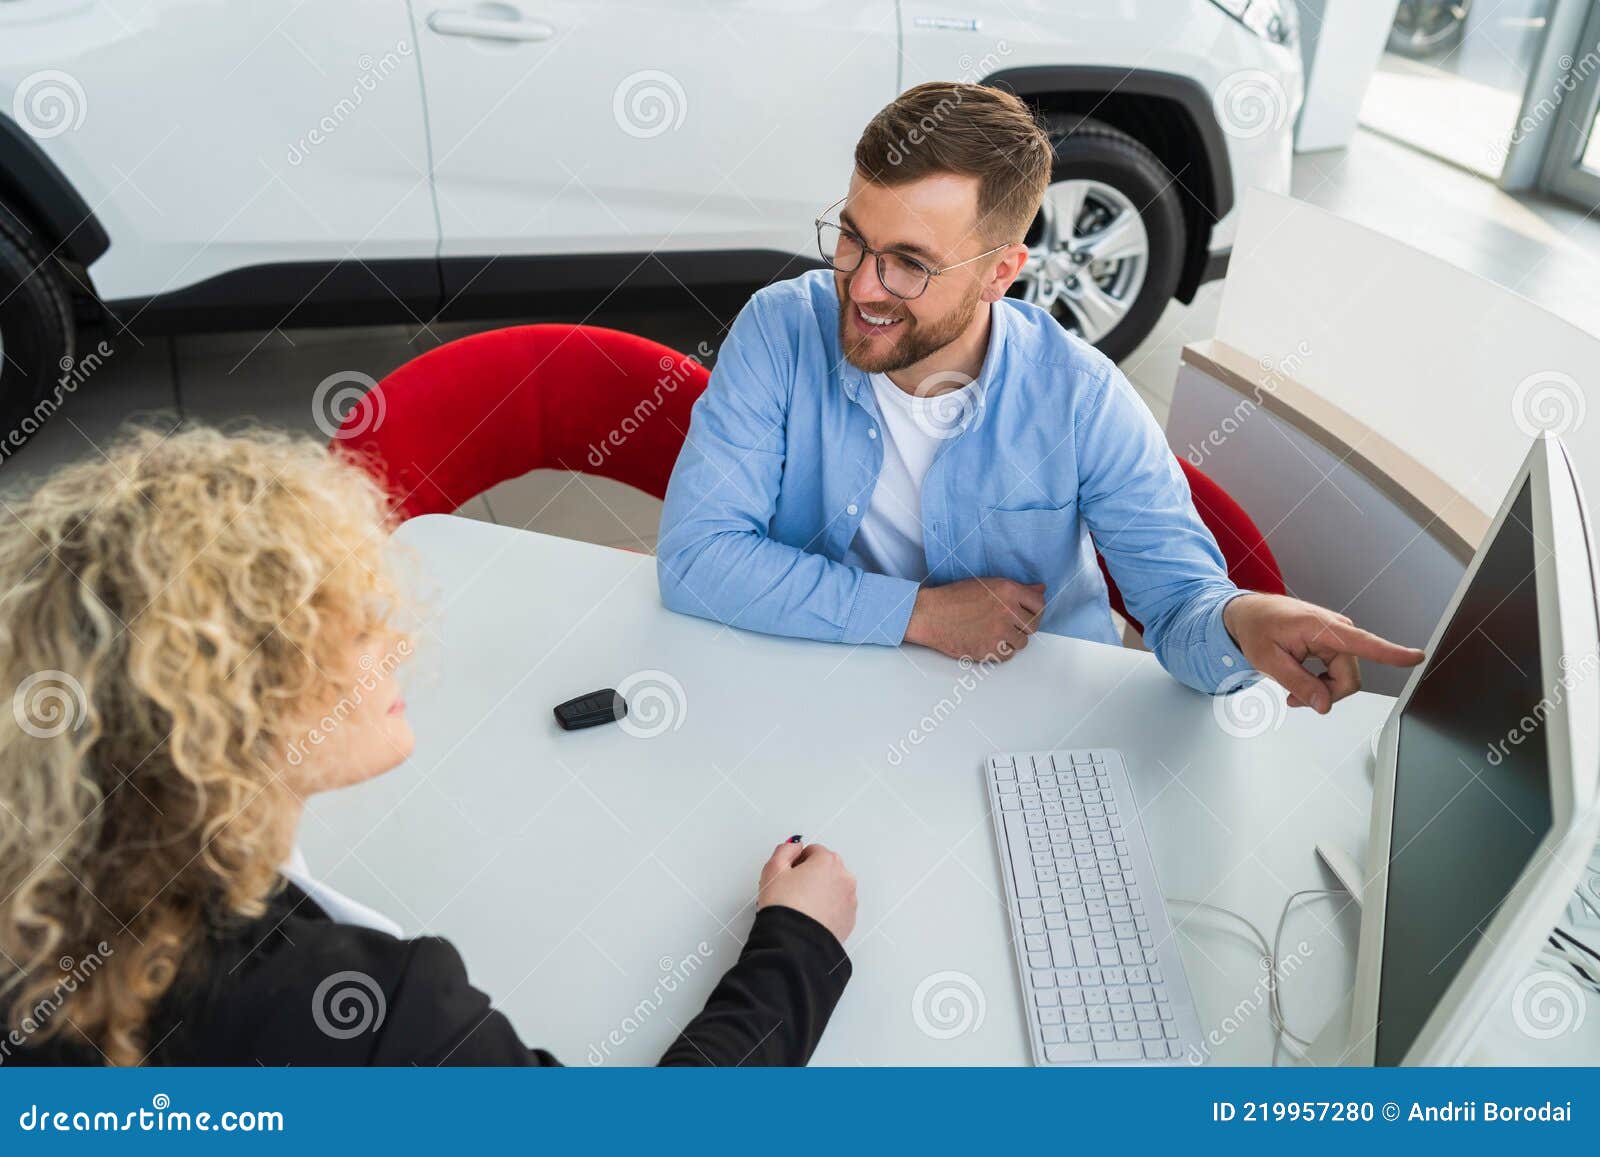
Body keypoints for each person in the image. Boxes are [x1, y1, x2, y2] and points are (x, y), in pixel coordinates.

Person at [0, 426, 856, 1067]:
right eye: (361, 629)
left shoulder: (38, 894)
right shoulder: (365, 1015)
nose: (397, 647)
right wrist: (798, 945)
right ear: (232, 703)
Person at [657, 82, 1424, 712]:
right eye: (853, 236)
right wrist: (920, 615)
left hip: (1031, 714)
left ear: (1002, 273)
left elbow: (1182, 608)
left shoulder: (1082, 398)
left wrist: (1239, 620)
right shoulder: (781, 328)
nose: (861, 286)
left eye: (910, 264)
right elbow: (696, 558)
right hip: (827, 690)